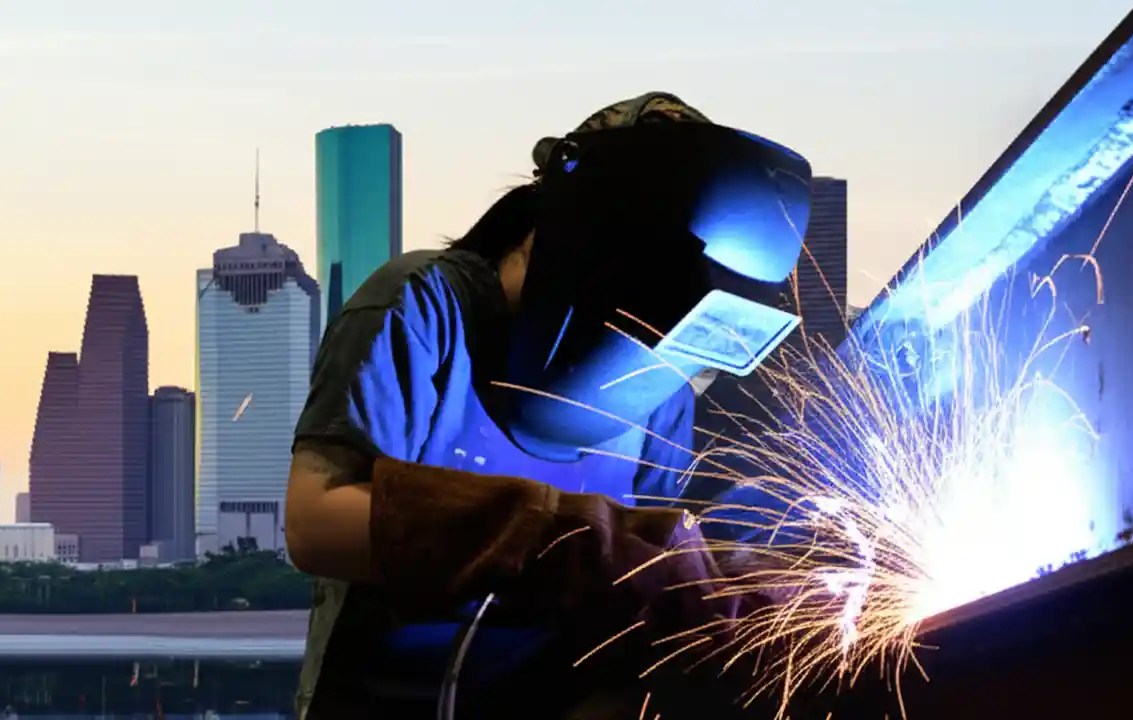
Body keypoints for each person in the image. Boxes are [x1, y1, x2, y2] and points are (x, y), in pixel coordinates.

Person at [285, 91, 814, 718]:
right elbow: (313, 525)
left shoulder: (662, 384)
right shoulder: (424, 307)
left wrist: (727, 579)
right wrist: (544, 534)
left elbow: (652, 573)